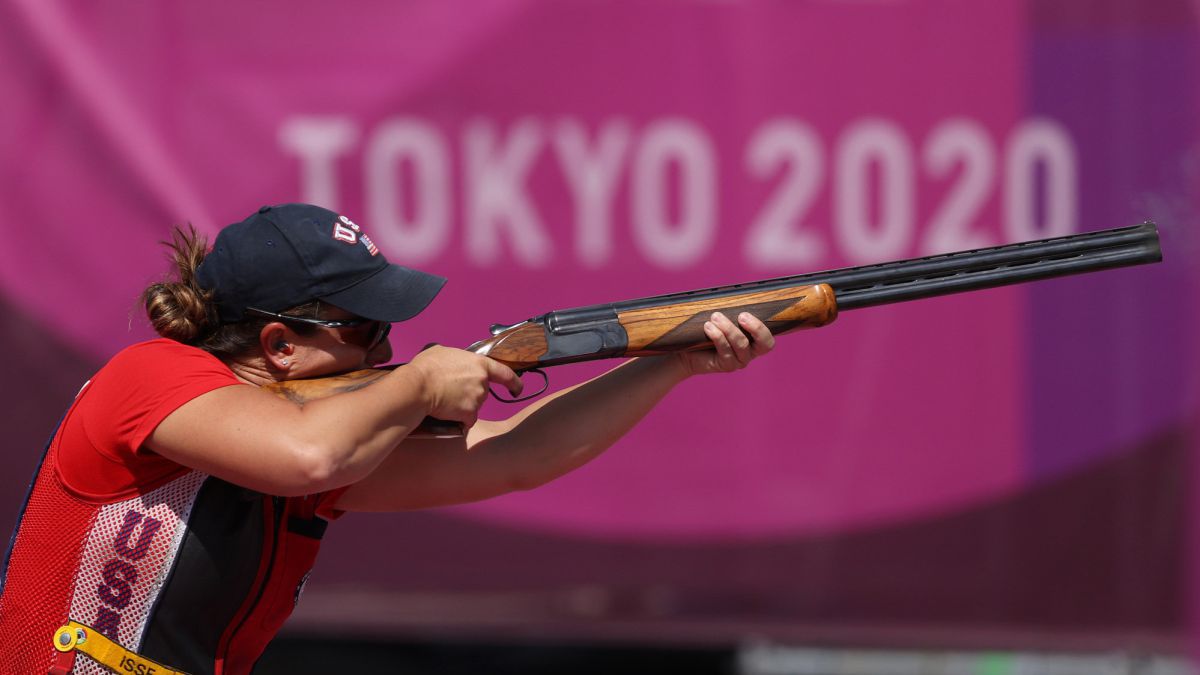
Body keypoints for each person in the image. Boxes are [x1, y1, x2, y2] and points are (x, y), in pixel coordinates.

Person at [0, 204, 774, 674]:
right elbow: (307, 451)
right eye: (365, 329)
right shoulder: (146, 379)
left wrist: (666, 365)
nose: (386, 348)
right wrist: (415, 385)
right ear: (279, 345)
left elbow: (516, 454)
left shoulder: (320, 439)